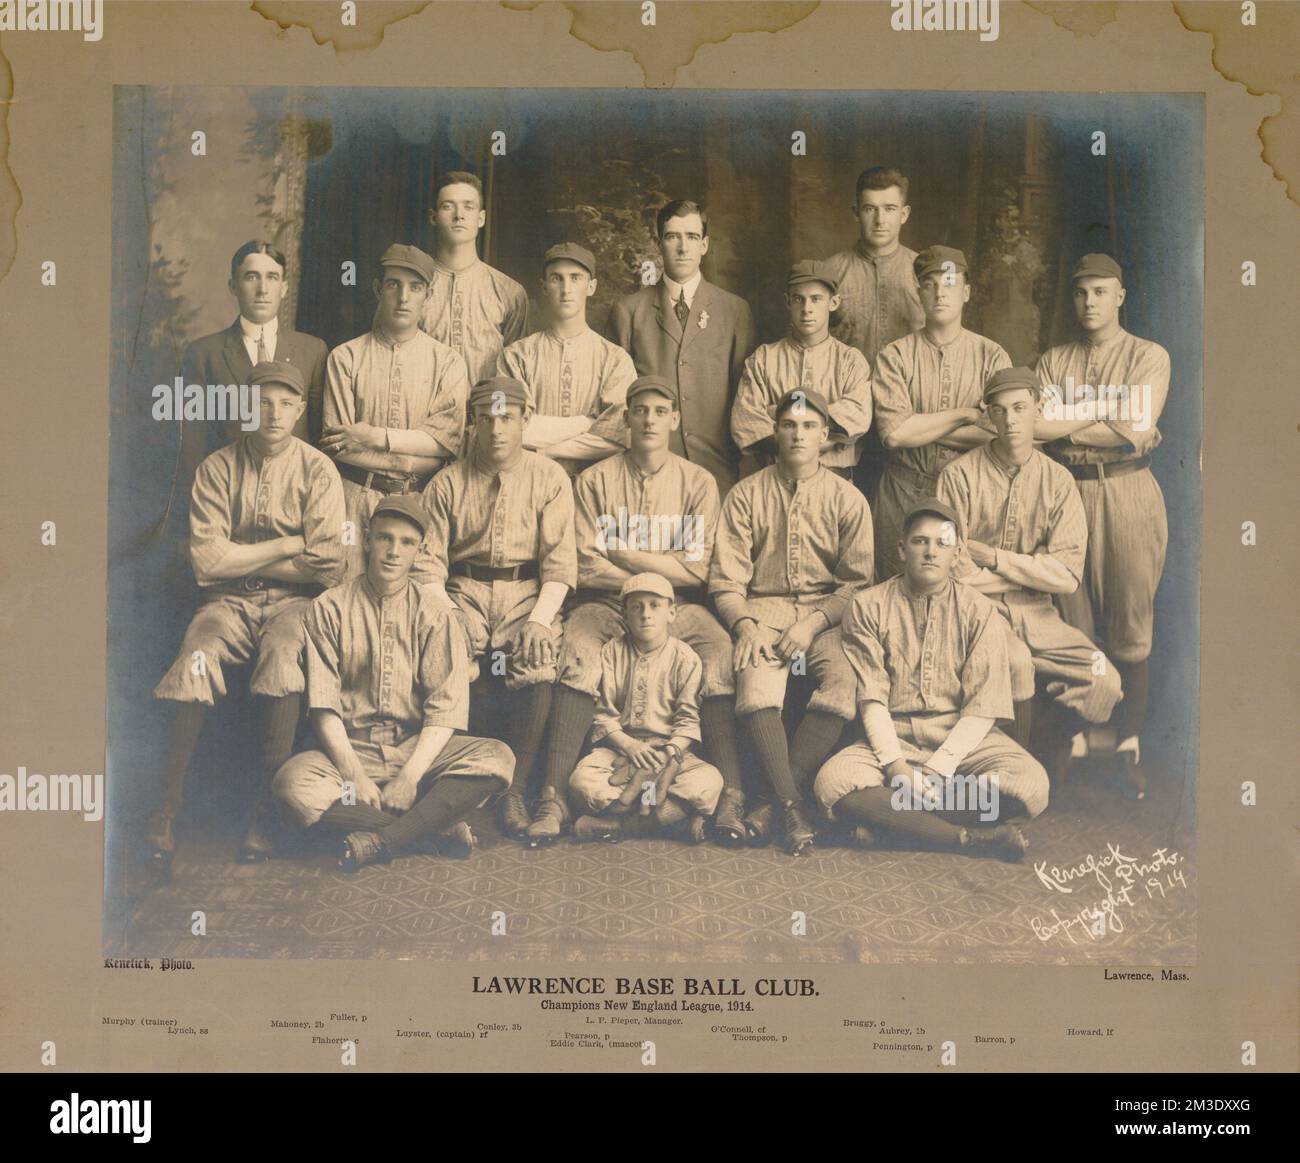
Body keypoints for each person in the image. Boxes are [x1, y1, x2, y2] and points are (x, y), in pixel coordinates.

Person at [146, 361, 347, 870]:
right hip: (226, 602)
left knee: (284, 653)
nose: (273, 413)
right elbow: (207, 563)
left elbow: (326, 563)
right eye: (262, 402)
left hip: (294, 601)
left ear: (299, 410)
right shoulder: (217, 468)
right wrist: (289, 543)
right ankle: (165, 810)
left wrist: (241, 554)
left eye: (285, 403)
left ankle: (265, 814)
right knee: (195, 657)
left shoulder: (318, 468)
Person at [535, 375, 743, 847]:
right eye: (640, 410)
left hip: (678, 606)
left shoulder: (697, 482)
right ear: (626, 418)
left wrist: (625, 554)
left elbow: (698, 570)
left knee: (719, 651)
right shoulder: (595, 480)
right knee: (578, 650)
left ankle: (732, 793)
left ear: (675, 419)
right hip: (607, 601)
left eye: (660, 411)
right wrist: (658, 569)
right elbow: (586, 564)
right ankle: (552, 795)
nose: (649, 420)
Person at [271, 495, 515, 870]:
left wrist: (409, 778)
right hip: (352, 748)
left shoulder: (436, 613)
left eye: (406, 542)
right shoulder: (329, 607)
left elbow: (444, 711)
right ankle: (431, 831)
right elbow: (324, 705)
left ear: (420, 550)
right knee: (292, 783)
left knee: (497, 756)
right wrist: (354, 775)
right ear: (367, 538)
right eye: (385, 538)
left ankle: (386, 838)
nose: (394, 552)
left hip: (413, 749)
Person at [815, 499, 1049, 860]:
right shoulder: (868, 605)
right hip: (894, 735)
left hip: (960, 739)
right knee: (832, 781)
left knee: (1031, 784)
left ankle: (892, 826)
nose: (930, 552)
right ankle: (963, 839)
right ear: (901, 549)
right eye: (920, 541)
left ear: (957, 554)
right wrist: (896, 767)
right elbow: (872, 697)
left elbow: (982, 706)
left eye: (943, 543)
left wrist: (939, 769)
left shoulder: (979, 609)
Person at [709, 388, 875, 855]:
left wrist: (813, 623)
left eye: (808, 426)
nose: (798, 435)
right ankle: (789, 804)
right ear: (776, 431)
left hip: (825, 617)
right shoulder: (745, 494)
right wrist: (744, 625)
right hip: (762, 613)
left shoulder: (848, 498)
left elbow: (857, 584)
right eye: (789, 425)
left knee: (844, 681)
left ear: (826, 436)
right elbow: (726, 581)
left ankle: (771, 802)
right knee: (755, 685)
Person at [936, 367, 1123, 777]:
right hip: (977, 611)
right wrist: (1036, 564)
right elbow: (954, 571)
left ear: (1038, 409)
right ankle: (1015, 777)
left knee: (1104, 679)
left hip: (1039, 613)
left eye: (1020, 408)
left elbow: (1067, 576)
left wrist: (996, 559)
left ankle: (1042, 745)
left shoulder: (1058, 480)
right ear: (989, 416)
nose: (1010, 420)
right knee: (1017, 662)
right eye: (1000, 410)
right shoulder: (958, 475)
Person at [1034, 254, 1170, 797]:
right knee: (1072, 621)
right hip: (1066, 491)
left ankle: (1126, 747)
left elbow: (1137, 424)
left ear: (1120, 296)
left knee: (1130, 622)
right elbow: (1037, 427)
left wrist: (1068, 423)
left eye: (1100, 292)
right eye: (1081, 293)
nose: (1089, 302)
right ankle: (1080, 742)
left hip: (1128, 489)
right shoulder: (1054, 360)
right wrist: (1103, 415)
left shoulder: (1148, 355)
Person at [417, 376, 575, 840]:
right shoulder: (447, 482)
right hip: (463, 589)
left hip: (525, 590)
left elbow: (560, 565)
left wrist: (540, 620)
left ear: (527, 419)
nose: (497, 429)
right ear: (473, 422)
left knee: (538, 658)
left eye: (507, 417)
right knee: (445, 655)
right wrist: (447, 613)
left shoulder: (550, 477)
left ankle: (515, 790)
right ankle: (453, 788)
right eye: (486, 418)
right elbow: (427, 565)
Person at [321, 243, 469, 577]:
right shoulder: (345, 357)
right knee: (346, 587)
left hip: (420, 499)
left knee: (417, 592)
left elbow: (447, 443)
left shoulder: (448, 362)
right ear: (378, 289)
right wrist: (411, 458)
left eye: (415, 287)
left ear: (428, 295)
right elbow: (339, 446)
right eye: (393, 285)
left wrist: (374, 437)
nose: (404, 297)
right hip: (354, 499)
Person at [872, 245, 1009, 579]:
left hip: (970, 492)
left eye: (949, 283)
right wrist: (965, 414)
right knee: (896, 589)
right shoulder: (895, 355)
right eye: (929, 284)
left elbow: (1001, 434)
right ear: (918, 292)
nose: (939, 293)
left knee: (965, 589)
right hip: (903, 489)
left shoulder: (991, 355)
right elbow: (895, 434)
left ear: (966, 292)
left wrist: (919, 425)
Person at [608, 198, 757, 494]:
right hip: (648, 470)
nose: (683, 247)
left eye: (691, 236)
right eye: (673, 236)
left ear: (704, 244)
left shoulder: (735, 311)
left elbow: (745, 400)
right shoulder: (629, 311)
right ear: (659, 244)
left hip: (717, 470)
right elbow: (617, 400)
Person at [567, 574, 724, 845]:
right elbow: (604, 715)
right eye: (636, 607)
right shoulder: (612, 652)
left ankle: (620, 827)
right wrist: (630, 747)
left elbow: (687, 720)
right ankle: (667, 824)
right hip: (620, 751)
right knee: (582, 781)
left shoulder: (686, 658)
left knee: (709, 781)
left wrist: (668, 753)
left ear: (671, 612)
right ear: (625, 614)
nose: (645, 614)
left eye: (655, 605)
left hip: (669, 753)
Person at [824, 166, 926, 503]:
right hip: (845, 428)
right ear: (856, 213)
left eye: (890, 209)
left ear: (904, 214)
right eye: (870, 209)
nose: (880, 220)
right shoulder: (830, 273)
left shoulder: (924, 274)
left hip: (907, 423)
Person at [179, 241, 328, 458]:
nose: (262, 290)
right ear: (233, 286)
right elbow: (192, 444)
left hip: (293, 477)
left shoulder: (313, 351)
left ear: (284, 288)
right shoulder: (203, 354)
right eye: (251, 277)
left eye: (272, 277)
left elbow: (318, 437)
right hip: (226, 476)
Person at [497, 242, 635, 475]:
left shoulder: (615, 359)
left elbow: (621, 437)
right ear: (543, 286)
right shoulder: (516, 355)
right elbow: (510, 429)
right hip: (530, 481)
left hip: (595, 484)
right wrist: (587, 423)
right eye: (556, 278)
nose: (566, 289)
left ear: (591, 286)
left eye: (575, 278)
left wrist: (548, 451)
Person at [730, 260, 874, 479]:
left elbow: (857, 419)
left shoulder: (851, 361)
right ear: (788, 302)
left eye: (816, 299)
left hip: (835, 480)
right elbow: (745, 423)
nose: (807, 309)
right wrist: (825, 431)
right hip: (775, 480)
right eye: (799, 299)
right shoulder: (763, 358)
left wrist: (778, 414)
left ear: (833, 302)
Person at [419, 170, 530, 385]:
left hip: (487, 405)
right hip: (423, 405)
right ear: (433, 217)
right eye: (448, 206)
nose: (459, 215)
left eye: (468, 207)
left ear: (481, 218)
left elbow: (517, 373)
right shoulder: (411, 287)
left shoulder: (510, 292)